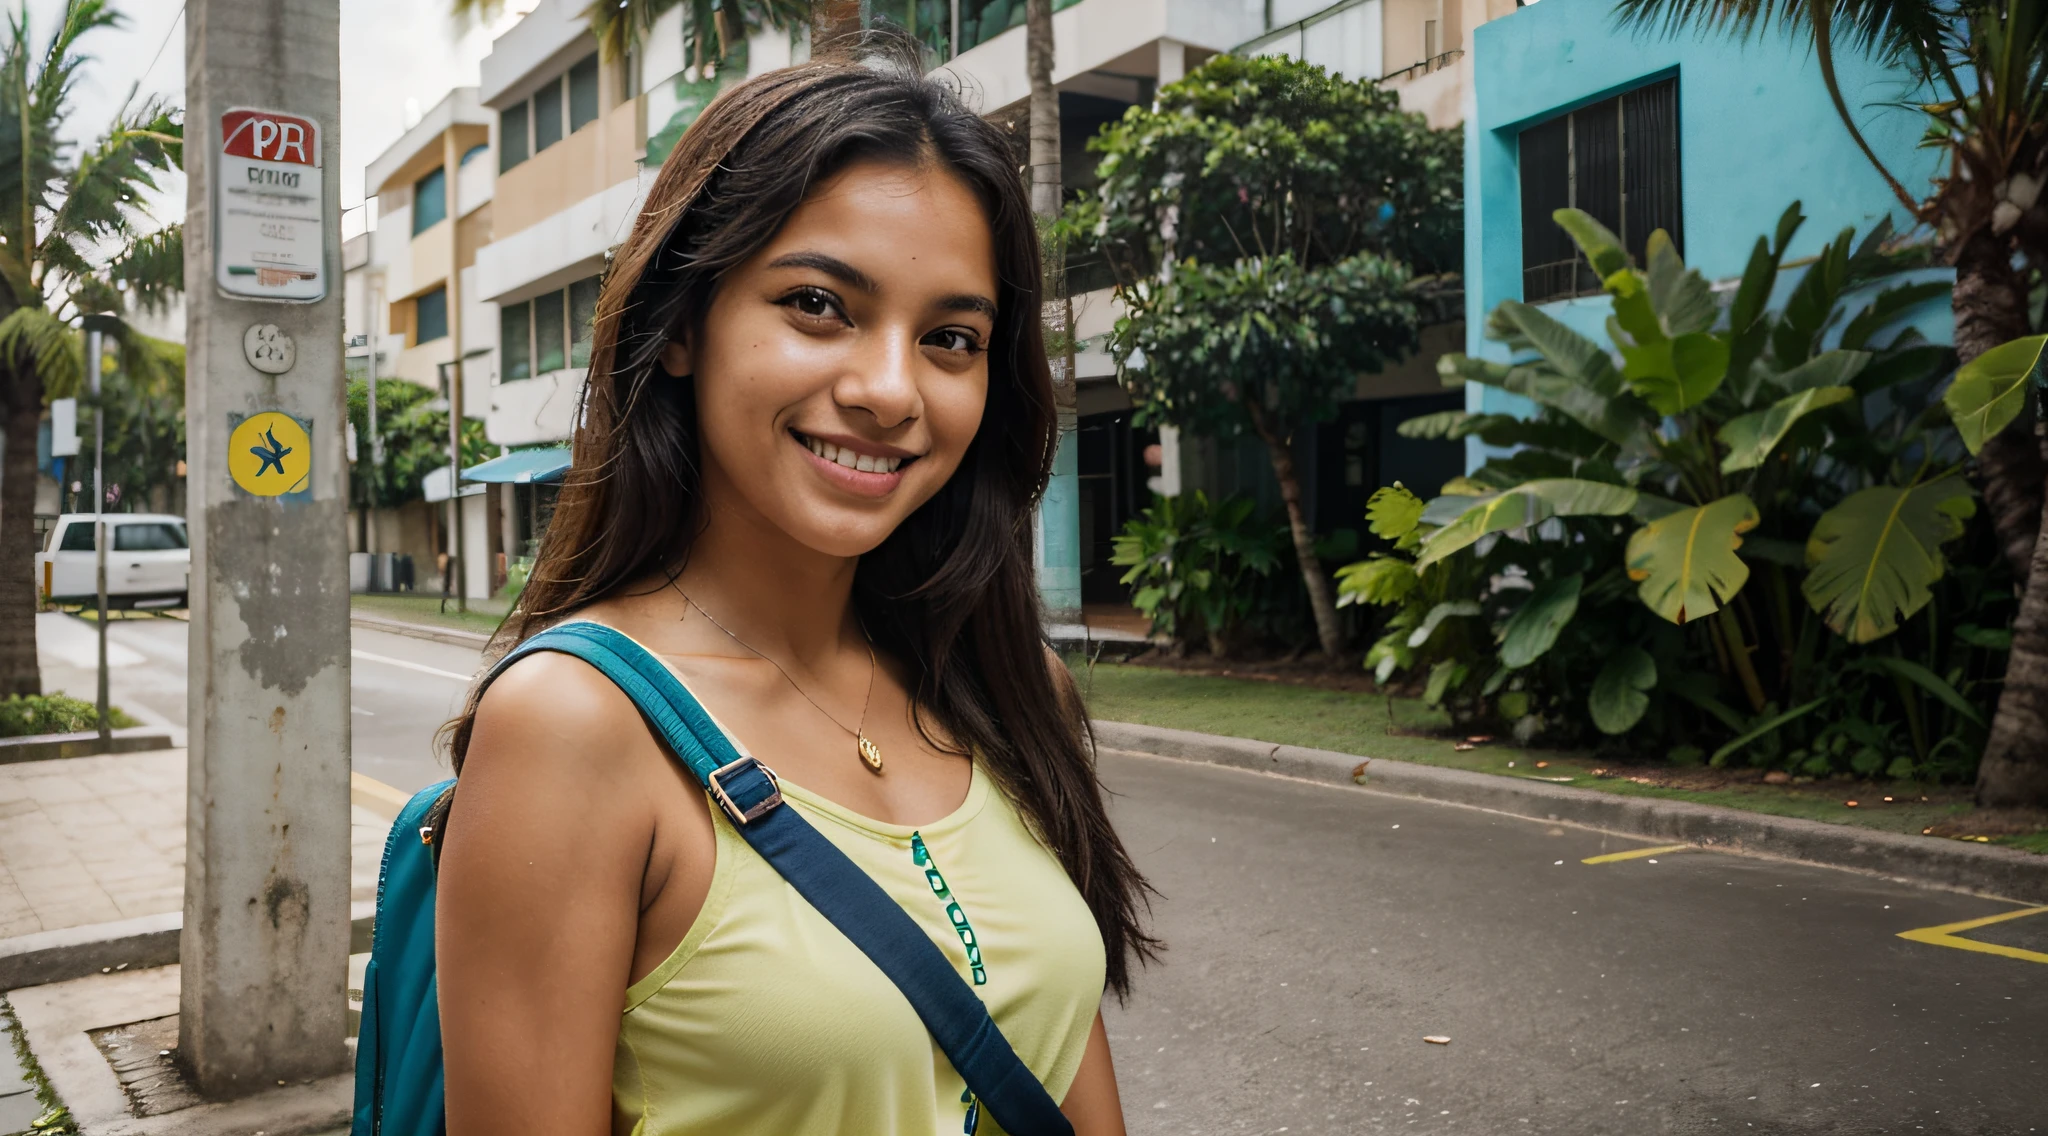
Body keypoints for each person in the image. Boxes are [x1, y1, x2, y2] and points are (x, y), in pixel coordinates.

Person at [433, 38, 1158, 1136]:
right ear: (683, 325)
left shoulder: (1010, 689)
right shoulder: (575, 723)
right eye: (819, 304)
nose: (887, 390)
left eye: (950, 338)